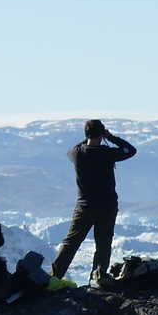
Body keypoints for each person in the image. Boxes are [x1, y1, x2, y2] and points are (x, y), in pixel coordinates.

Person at [51, 120, 137, 282]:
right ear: (101, 133)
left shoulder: (77, 153)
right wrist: (110, 137)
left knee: (71, 242)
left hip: (84, 206)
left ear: (86, 134)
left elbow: (73, 148)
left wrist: (89, 138)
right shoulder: (107, 153)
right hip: (107, 206)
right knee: (103, 243)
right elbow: (130, 150)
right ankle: (98, 277)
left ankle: (54, 276)